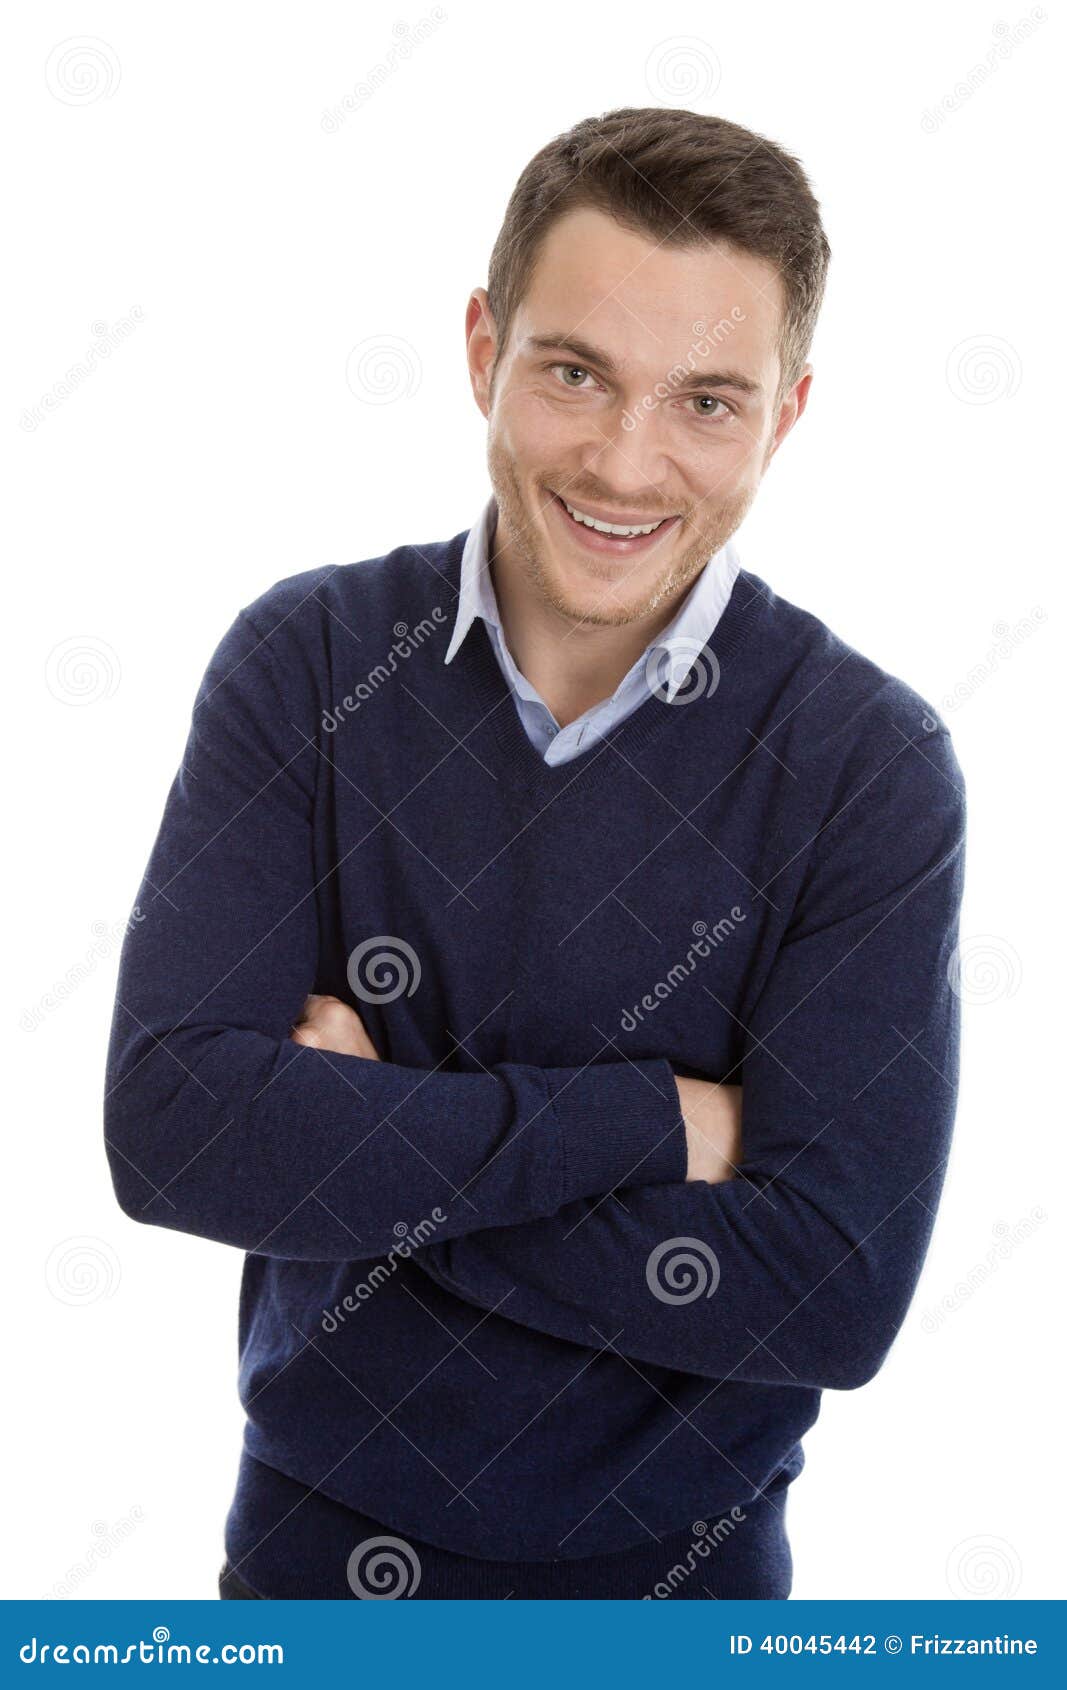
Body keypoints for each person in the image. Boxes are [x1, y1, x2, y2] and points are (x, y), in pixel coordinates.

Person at [103, 106, 966, 1601]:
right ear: (483, 352)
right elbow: (175, 1131)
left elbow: (832, 1292)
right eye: (577, 373)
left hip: (685, 1600)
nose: (628, 464)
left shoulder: (867, 767)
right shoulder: (308, 667)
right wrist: (652, 1126)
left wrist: (368, 1142)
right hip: (314, 1575)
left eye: (707, 400)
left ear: (787, 415)